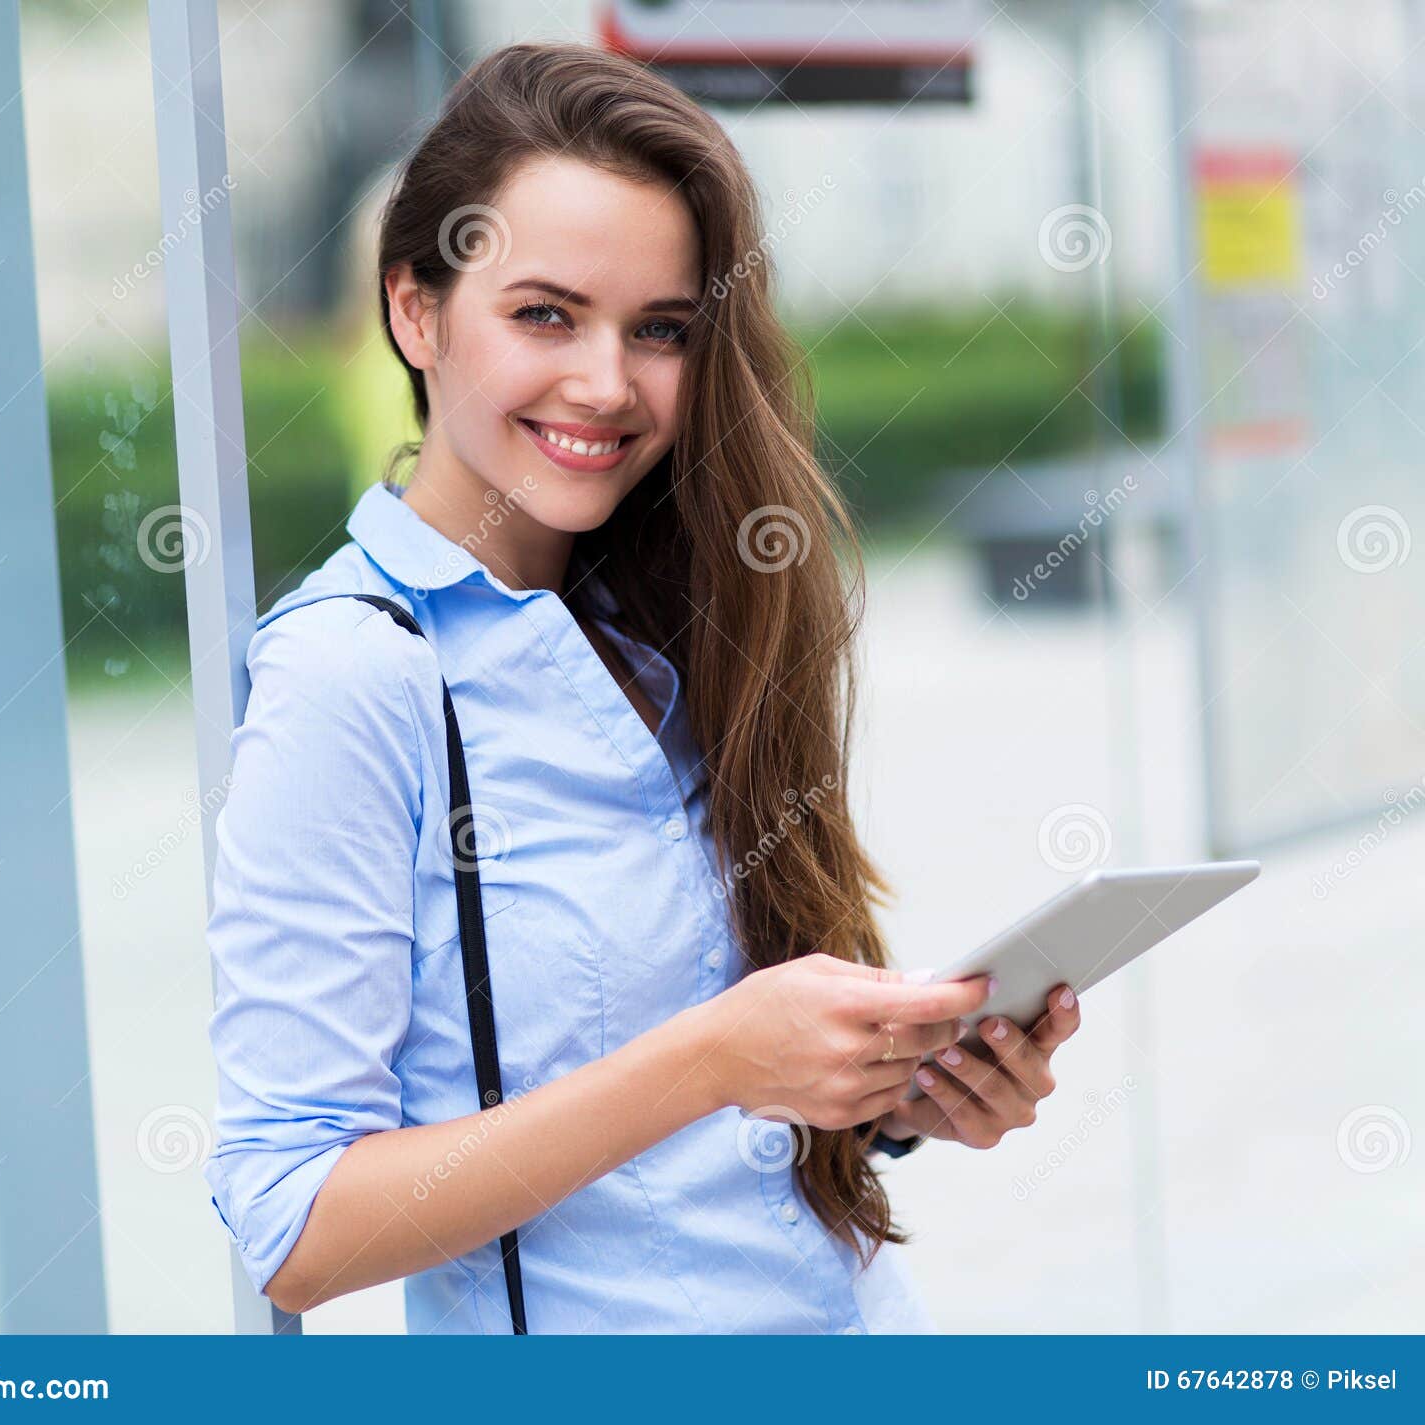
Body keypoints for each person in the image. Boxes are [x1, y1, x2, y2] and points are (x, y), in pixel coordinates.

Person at [202, 40, 1081, 1334]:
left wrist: (895, 1094)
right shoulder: (354, 673)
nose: (608, 385)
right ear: (416, 311)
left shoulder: (673, 619)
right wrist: (715, 1058)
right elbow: (294, 1221)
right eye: (545, 314)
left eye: (661, 329)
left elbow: (713, 1130)